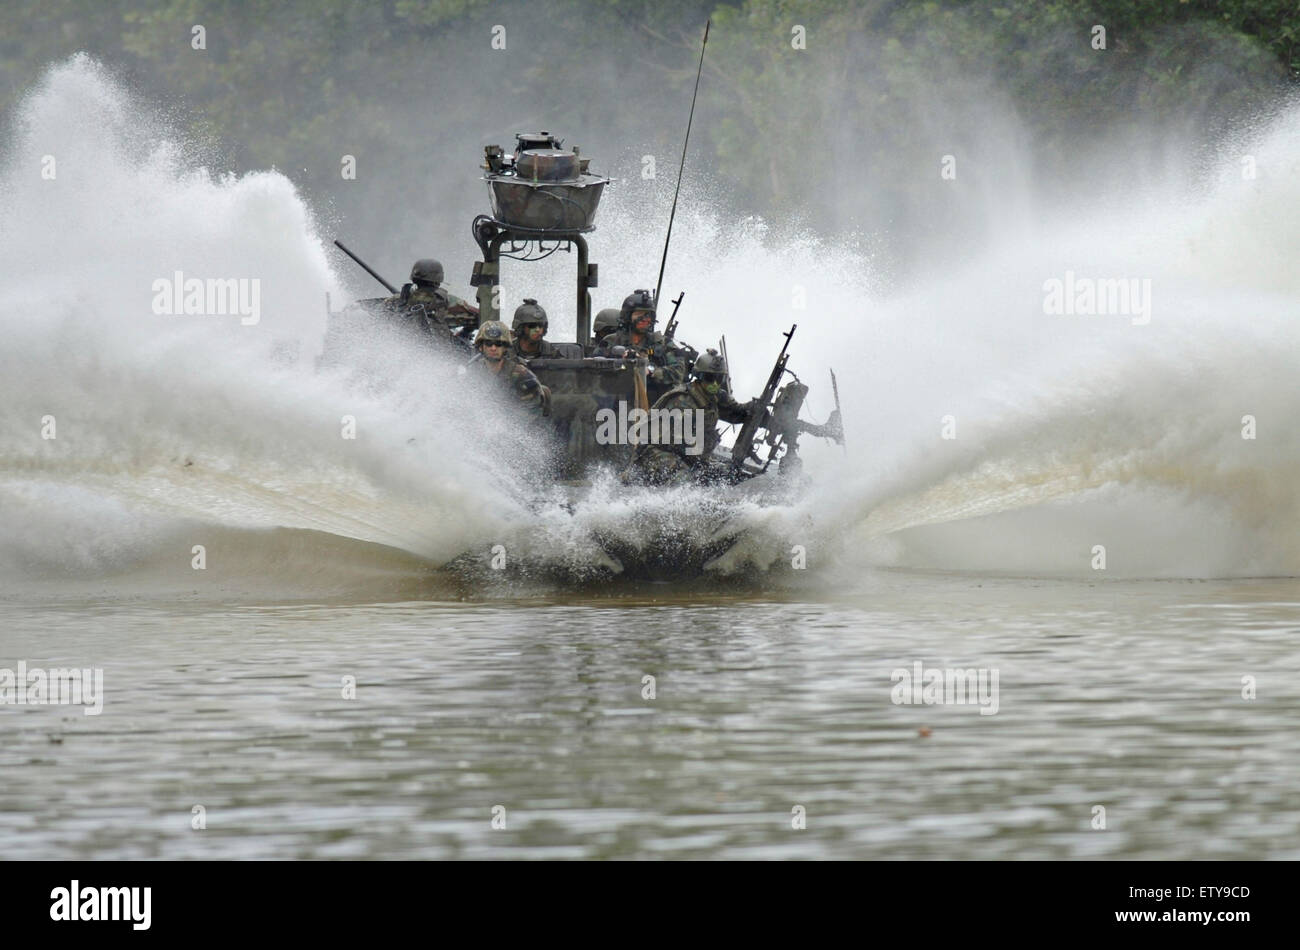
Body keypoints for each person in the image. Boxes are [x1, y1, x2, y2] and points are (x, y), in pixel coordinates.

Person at [621, 348, 758, 486]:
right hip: (656, 453)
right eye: (710, 378)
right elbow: (681, 446)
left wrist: (756, 409)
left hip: (687, 455)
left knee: (720, 474)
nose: (715, 384)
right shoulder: (683, 401)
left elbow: (736, 413)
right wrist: (709, 467)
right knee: (687, 480)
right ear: (700, 377)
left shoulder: (715, 395)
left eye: (719, 378)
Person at [596, 289, 686, 401]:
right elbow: (593, 372)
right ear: (627, 316)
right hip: (615, 404)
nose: (645, 319)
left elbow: (679, 372)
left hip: (654, 407)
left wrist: (651, 371)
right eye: (639, 314)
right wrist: (618, 362)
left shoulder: (662, 343)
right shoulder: (611, 342)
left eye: (648, 315)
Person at [384, 258, 478, 345]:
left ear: (413, 278)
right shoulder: (450, 302)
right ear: (438, 280)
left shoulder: (395, 300)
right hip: (440, 355)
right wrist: (465, 333)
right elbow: (480, 318)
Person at [465, 321, 549, 417]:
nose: (493, 348)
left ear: (505, 348)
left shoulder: (522, 376)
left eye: (498, 344)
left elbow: (531, 414)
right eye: (489, 343)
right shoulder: (472, 373)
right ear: (481, 347)